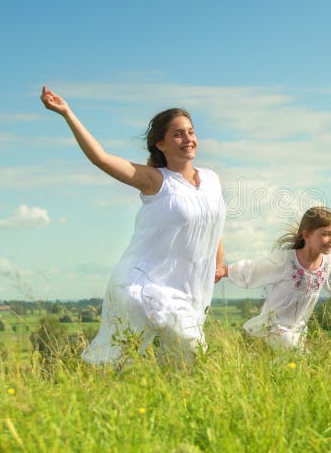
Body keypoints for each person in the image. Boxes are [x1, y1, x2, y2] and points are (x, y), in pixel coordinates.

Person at [40, 86, 226, 365]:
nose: (188, 138)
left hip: (187, 285)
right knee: (125, 353)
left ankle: (172, 401)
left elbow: (214, 222)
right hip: (147, 282)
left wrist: (219, 262)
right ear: (160, 144)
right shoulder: (155, 180)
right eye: (178, 134)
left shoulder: (212, 179)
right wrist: (67, 113)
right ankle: (91, 383)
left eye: (190, 131)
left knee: (190, 358)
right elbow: (101, 158)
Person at [216, 206, 331, 352]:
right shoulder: (287, 260)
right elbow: (255, 269)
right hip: (275, 327)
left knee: (293, 365)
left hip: (299, 330)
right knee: (299, 355)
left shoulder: (328, 263)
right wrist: (224, 270)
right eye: (325, 234)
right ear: (306, 234)